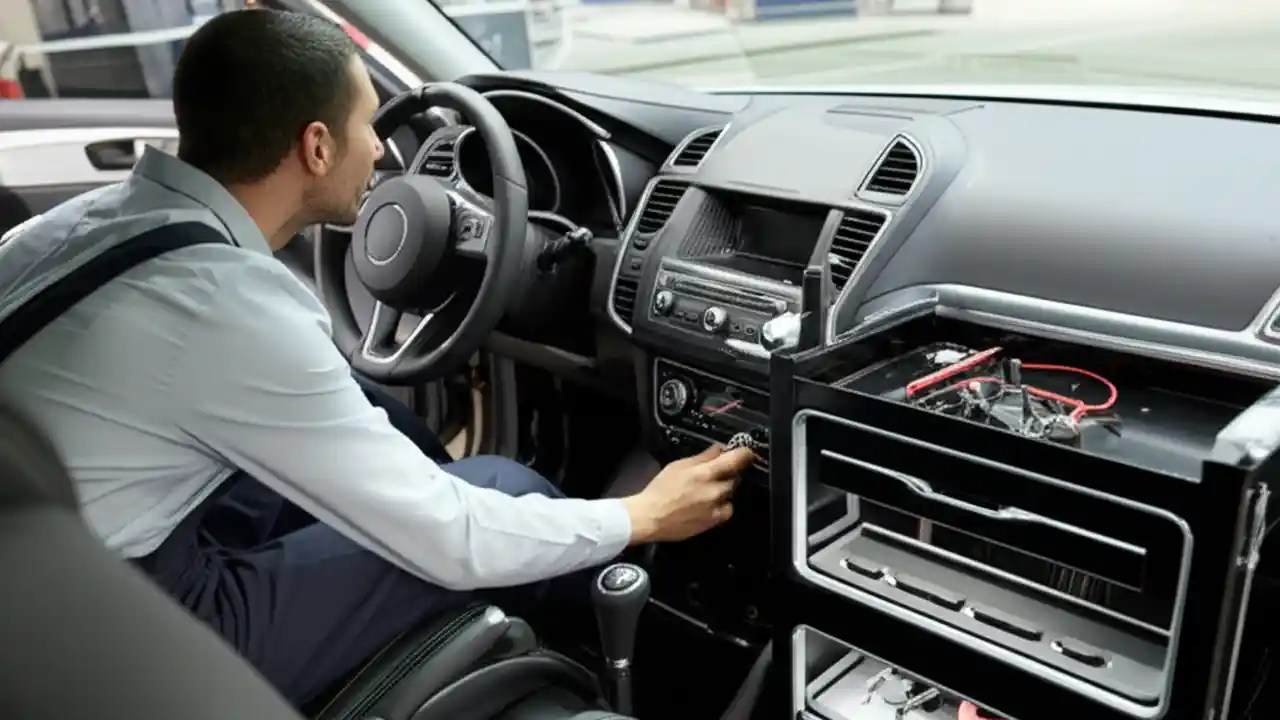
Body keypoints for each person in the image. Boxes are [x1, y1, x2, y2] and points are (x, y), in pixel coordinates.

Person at [0, 8, 755, 708]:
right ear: (316, 145)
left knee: (386, 423)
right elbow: (450, 540)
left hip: (49, 558)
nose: (381, 154)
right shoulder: (228, 306)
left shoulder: (69, 229)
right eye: (369, 128)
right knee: (504, 488)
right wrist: (639, 515)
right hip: (106, 634)